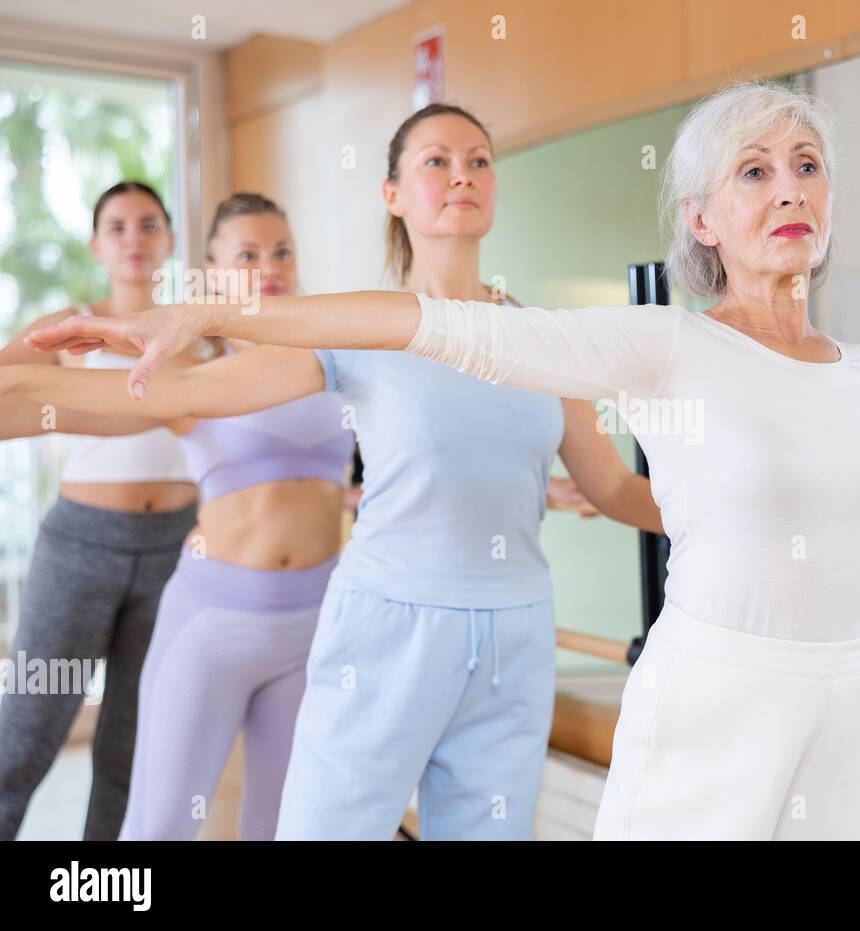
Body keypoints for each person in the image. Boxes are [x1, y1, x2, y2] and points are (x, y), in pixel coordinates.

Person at [27, 82, 860, 841]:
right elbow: (419, 327)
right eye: (753, 171)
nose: (788, 185)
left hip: (835, 704)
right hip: (668, 697)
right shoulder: (656, 342)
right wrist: (202, 315)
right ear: (699, 218)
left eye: (806, 164)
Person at [21, 104, 662, 841]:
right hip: (374, 617)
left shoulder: (543, 340)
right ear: (391, 194)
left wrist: (733, 515)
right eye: (436, 161)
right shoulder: (357, 326)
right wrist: (63, 376)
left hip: (515, 629)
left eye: (479, 160)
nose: (463, 174)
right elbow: (182, 392)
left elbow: (612, 487)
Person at [3, 192, 355, 839]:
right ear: (211, 272)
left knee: (277, 822)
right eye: (246, 254)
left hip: (309, 620)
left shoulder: (338, 367)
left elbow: (372, 468)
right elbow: (54, 401)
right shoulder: (193, 374)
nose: (268, 266)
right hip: (193, 607)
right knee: (144, 814)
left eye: (281, 251)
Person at [0, 182, 199, 841]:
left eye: (148, 225)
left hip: (177, 548)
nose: (134, 239)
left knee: (133, 743)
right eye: (117, 227)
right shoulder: (67, 326)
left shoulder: (197, 332)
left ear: (169, 238)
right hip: (81, 544)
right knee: (27, 729)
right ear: (97, 244)